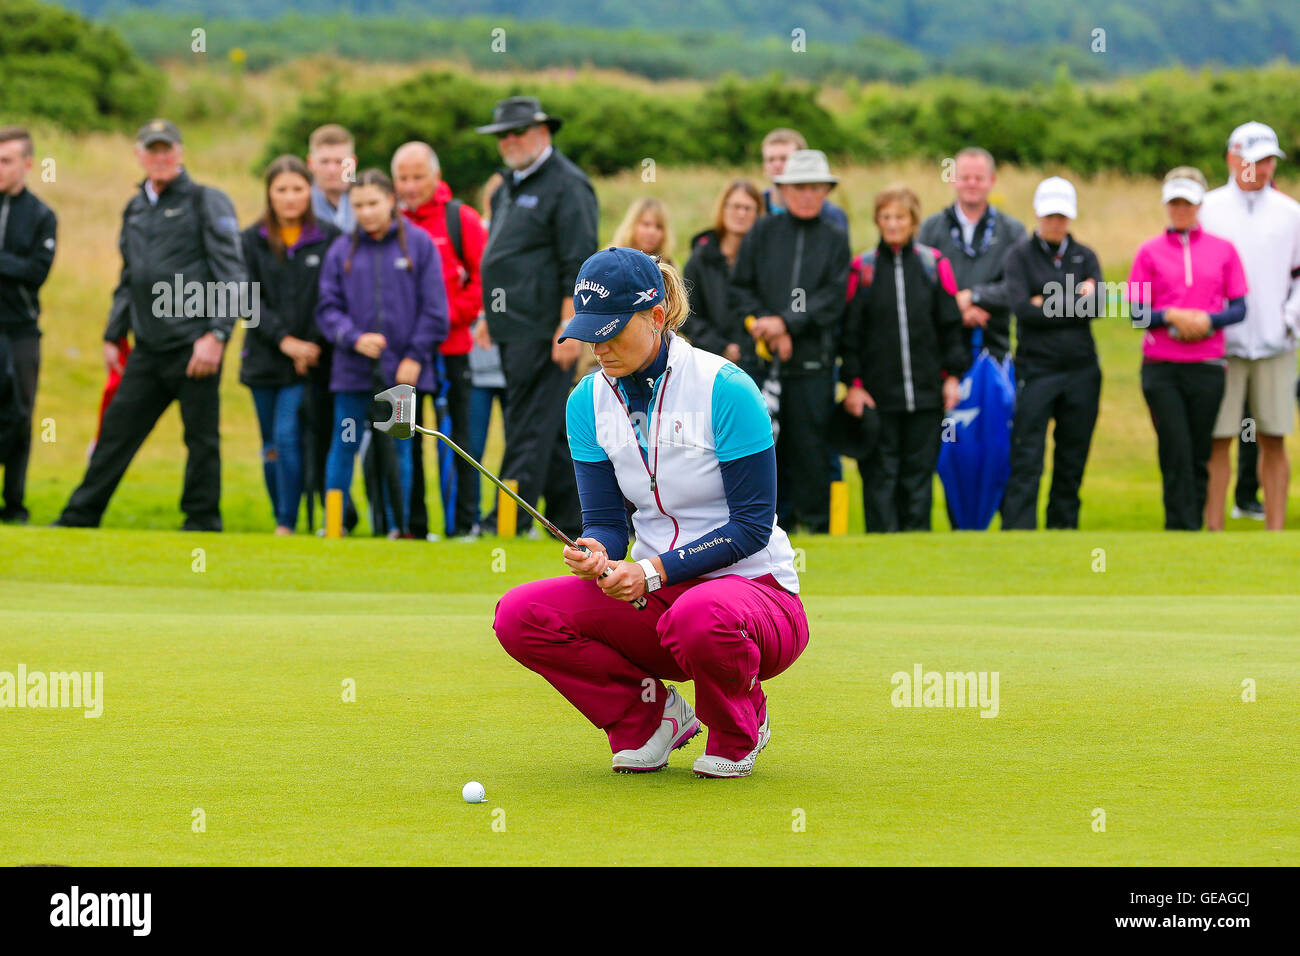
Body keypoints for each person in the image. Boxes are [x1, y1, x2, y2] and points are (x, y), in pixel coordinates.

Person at [493, 248, 808, 778]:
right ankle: (650, 719)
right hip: (656, 600)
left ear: (657, 316)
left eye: (613, 331)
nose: (599, 347)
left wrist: (651, 571)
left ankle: (740, 725)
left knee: (700, 614)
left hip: (757, 599)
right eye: (591, 333)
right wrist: (599, 552)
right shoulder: (585, 401)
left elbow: (752, 526)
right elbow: (608, 524)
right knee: (521, 615)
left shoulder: (724, 388)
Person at [55, 120, 246, 531]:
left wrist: (217, 335)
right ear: (139, 155)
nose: (160, 158)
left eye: (167, 150)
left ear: (179, 153)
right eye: (151, 150)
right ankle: (79, 517)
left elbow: (234, 275)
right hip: (147, 346)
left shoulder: (205, 200)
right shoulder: (136, 207)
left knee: (201, 440)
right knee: (116, 435)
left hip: (195, 345)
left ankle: (202, 520)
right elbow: (130, 276)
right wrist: (113, 332)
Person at [476, 96, 597, 540]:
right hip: (511, 324)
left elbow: (578, 260)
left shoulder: (568, 185)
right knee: (547, 427)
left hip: (545, 327)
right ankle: (572, 522)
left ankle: (505, 522)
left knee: (527, 425)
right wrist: (491, 312)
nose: (509, 141)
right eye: (503, 134)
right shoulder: (507, 184)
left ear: (544, 132)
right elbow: (503, 256)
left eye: (518, 132)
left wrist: (571, 327)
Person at [315, 169, 448, 538]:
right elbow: (326, 309)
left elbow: (436, 310)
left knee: (399, 451)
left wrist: (415, 357)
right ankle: (335, 524)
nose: (366, 212)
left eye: (373, 203)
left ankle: (397, 528)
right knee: (344, 445)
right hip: (351, 373)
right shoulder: (340, 250)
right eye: (357, 205)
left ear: (391, 200)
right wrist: (353, 337)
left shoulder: (418, 245)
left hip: (401, 376)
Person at [729, 150, 849, 533]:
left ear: (825, 191)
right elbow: (740, 289)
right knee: (762, 447)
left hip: (812, 365)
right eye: (799, 187)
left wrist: (788, 323)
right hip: (761, 364)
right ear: (783, 190)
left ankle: (814, 525)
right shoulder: (763, 233)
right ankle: (764, 529)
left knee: (810, 448)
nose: (807, 195)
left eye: (815, 188)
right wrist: (763, 326)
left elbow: (832, 298)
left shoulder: (834, 239)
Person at [839, 184, 966, 532]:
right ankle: (882, 548)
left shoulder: (934, 264)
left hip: (927, 397)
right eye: (886, 217)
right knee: (880, 477)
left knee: (918, 478)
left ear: (913, 221)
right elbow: (848, 334)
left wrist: (953, 377)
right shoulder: (861, 268)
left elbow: (952, 327)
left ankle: (916, 547)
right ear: (878, 221)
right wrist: (853, 384)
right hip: (878, 399)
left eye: (900, 217)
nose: (893, 224)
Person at [1127, 167, 1248, 530]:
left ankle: (1192, 525)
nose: (1181, 209)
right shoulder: (1148, 252)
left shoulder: (1223, 250)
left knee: (1199, 451)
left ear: (1199, 205)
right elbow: (1137, 312)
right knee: (1174, 447)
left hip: (1207, 364)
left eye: (1188, 203)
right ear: (1167, 205)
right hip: (1162, 366)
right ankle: (1179, 525)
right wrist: (1172, 316)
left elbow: (1239, 307)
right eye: (1175, 203)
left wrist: (1208, 322)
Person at [1199, 121, 1300, 531]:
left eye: (1269, 162)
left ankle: (1274, 531)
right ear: (1232, 159)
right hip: (1221, 345)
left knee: (1273, 438)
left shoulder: (1292, 213)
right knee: (1219, 439)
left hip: (1276, 345)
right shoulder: (1208, 208)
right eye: (1255, 162)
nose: (1262, 171)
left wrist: (1289, 321)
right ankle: (1213, 530)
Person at [240, 155, 339, 534]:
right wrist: (284, 341)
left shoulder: (330, 237)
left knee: (289, 435)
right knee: (270, 445)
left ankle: (289, 521)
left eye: (298, 188)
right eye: (281, 189)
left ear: (309, 190)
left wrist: (309, 345)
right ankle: (282, 515)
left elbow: (332, 295)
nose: (290, 197)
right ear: (269, 194)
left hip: (312, 362)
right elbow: (245, 300)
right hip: (265, 358)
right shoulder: (250, 241)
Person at [393, 141, 487, 539]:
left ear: (436, 176)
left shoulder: (459, 218)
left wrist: (444, 318)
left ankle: (461, 527)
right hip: (401, 357)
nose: (411, 186)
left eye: (418, 177)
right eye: (403, 178)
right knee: (403, 436)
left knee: (454, 440)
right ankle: (412, 528)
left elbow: (484, 280)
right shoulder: (388, 220)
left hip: (451, 351)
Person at [999, 177, 1104, 530]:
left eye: (1061, 216)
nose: (1055, 223)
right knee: (1028, 455)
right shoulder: (1019, 255)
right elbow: (1022, 309)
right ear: (1038, 215)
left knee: (1072, 456)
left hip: (1081, 371)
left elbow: (1098, 306)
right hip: (1036, 369)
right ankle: (1019, 530)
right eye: (1050, 216)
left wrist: (1046, 298)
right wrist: (1075, 297)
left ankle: (1063, 529)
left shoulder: (1085, 256)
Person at [917, 146, 1027, 362]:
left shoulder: (1012, 230)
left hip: (994, 346)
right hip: (940, 349)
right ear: (953, 179)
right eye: (965, 177)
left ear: (992, 180)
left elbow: (1020, 284)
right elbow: (919, 282)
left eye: (979, 177)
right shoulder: (931, 228)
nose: (972, 183)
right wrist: (957, 309)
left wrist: (976, 297)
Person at [0, 126, 57, 525]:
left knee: (19, 415)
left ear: (27, 164)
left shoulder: (41, 215)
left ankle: (14, 503)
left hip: (20, 329)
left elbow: (36, 272)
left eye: (5, 161)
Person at [683, 178, 762, 381]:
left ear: (758, 213)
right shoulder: (701, 258)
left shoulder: (766, 259)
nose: (741, 213)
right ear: (723, 209)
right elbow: (687, 314)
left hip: (757, 364)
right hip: (708, 363)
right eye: (736, 206)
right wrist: (721, 347)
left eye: (748, 208)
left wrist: (746, 348)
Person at [759, 128, 848, 234]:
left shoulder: (831, 215)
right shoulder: (754, 207)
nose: (776, 165)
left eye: (784, 159)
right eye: (770, 159)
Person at [307, 124, 356, 234]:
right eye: (324, 161)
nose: (332, 170)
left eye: (339, 161)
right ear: (310, 163)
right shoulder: (301, 204)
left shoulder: (370, 201)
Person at [610, 197, 676, 266]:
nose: (652, 232)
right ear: (632, 225)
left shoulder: (669, 265)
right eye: (646, 224)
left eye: (659, 227)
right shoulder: (613, 258)